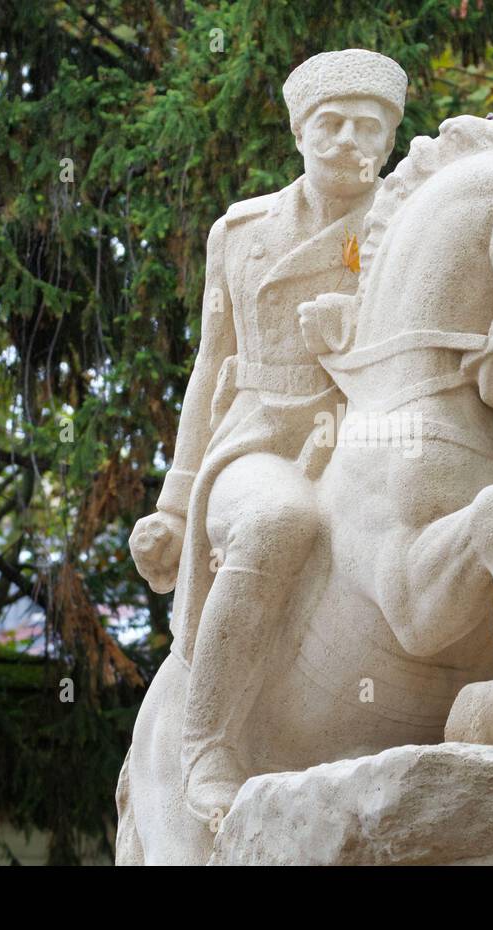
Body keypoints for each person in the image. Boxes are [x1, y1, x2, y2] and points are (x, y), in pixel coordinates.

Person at [129, 49, 408, 821]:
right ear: (300, 132)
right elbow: (208, 366)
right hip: (259, 439)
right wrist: (177, 504)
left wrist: (352, 340)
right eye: (332, 123)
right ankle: (208, 743)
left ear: (389, 142)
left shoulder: (407, 224)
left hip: (369, 436)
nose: (350, 139)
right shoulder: (242, 231)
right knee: (283, 518)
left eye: (369, 126)